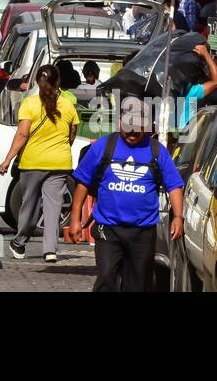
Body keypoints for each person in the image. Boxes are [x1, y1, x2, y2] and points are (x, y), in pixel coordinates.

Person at [69, 103, 184, 292]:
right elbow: (83, 182)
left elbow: (174, 185)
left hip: (143, 232)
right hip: (108, 229)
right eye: (128, 128)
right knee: (106, 278)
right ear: (120, 123)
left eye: (136, 129)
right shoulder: (104, 147)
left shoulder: (156, 151)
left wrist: (178, 216)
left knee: (138, 284)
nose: (132, 134)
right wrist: (75, 219)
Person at [0, 64, 79, 263]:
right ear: (57, 82)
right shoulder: (68, 105)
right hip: (60, 163)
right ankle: (50, 250)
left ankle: (19, 242)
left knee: (30, 204)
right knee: (54, 207)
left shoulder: (30, 104)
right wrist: (59, 149)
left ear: (37, 81)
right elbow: (72, 135)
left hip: (32, 162)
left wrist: (8, 159)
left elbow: (22, 134)